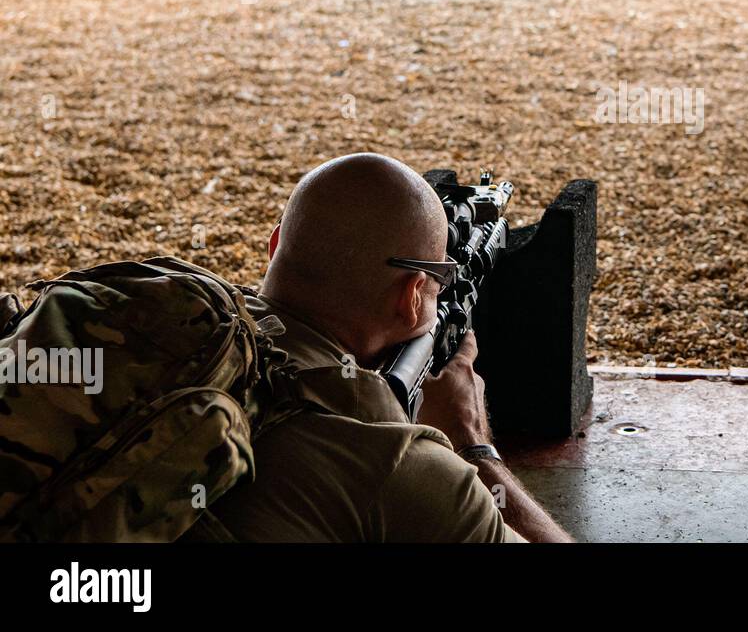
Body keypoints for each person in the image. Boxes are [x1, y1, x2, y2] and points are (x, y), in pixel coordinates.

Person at [210, 152, 572, 543]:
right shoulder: (390, 461)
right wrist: (473, 444)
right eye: (439, 283)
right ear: (412, 295)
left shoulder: (193, 332)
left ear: (276, 243)